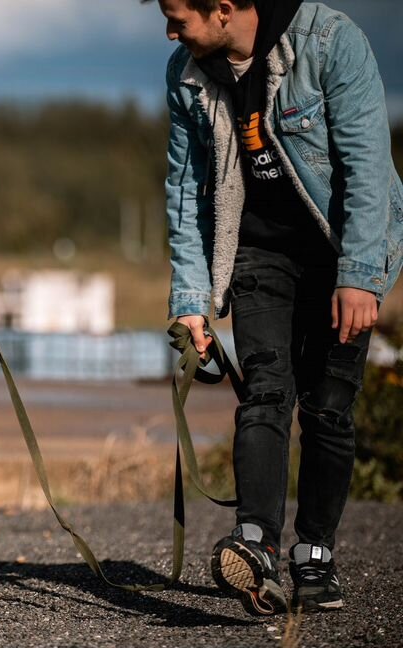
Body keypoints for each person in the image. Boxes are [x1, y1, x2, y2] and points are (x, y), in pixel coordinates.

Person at [150, 0, 403, 615]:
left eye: (178, 18)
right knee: (265, 391)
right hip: (258, 252)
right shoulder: (186, 73)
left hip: (339, 250)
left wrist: (361, 278)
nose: (170, 32)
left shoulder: (330, 40)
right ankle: (256, 544)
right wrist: (192, 303)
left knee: (329, 409)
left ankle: (315, 555)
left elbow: (368, 168)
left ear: (224, 10)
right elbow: (186, 191)